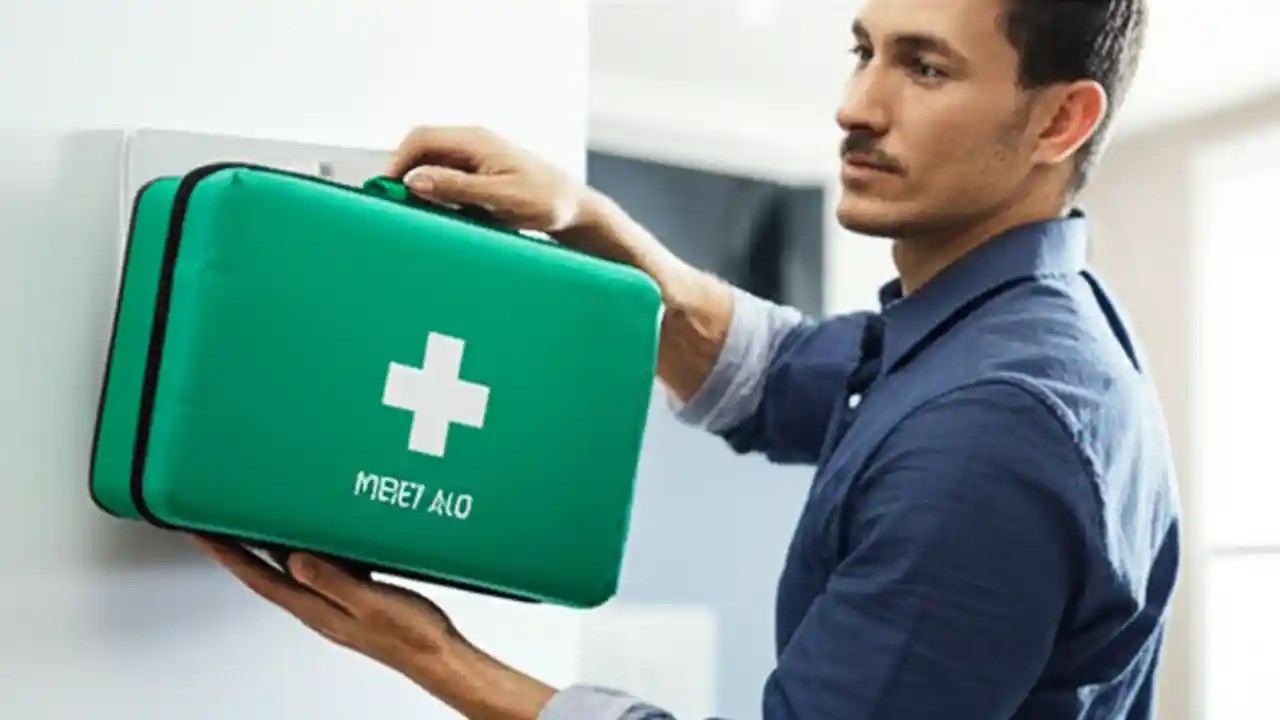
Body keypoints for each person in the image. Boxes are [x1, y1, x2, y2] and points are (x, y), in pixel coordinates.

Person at [194, 0, 1181, 717]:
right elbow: (784, 375)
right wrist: (590, 223)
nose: (854, 106)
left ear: (1058, 120)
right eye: (862, 50)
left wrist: (430, 655)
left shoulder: (993, 427)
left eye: (923, 68)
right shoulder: (995, 326)